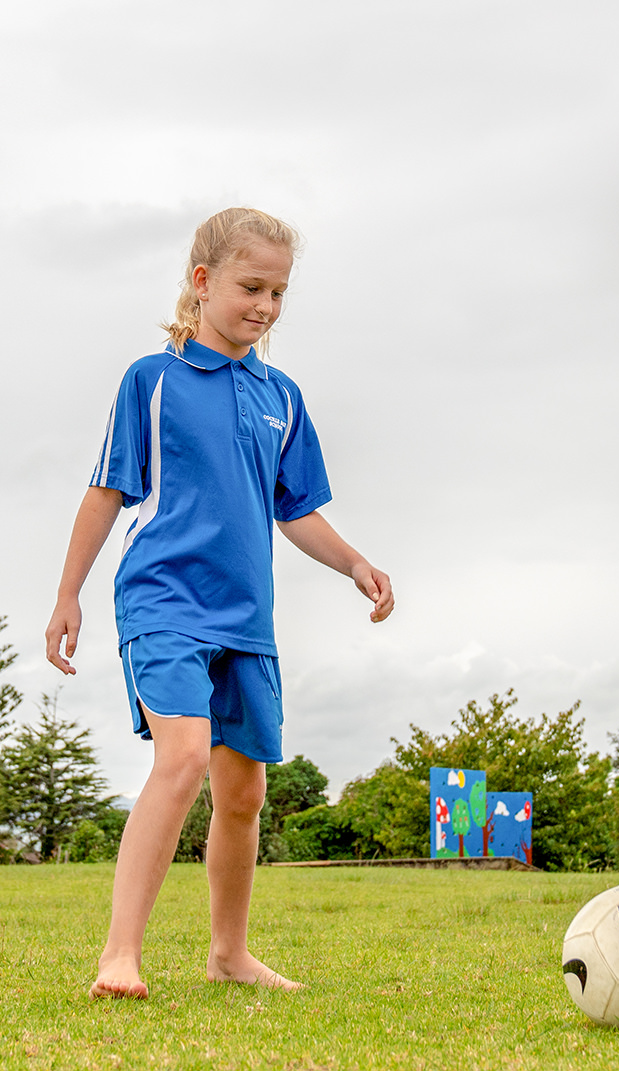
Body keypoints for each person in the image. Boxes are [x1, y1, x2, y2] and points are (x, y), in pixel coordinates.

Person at [45, 207, 394, 1000]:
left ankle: (228, 953)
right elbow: (106, 492)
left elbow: (294, 509)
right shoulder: (152, 379)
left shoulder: (282, 396)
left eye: (278, 291)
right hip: (162, 598)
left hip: (247, 619)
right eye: (250, 286)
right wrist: (68, 593)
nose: (265, 306)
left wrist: (355, 564)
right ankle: (118, 955)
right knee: (183, 757)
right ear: (201, 282)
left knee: (245, 794)